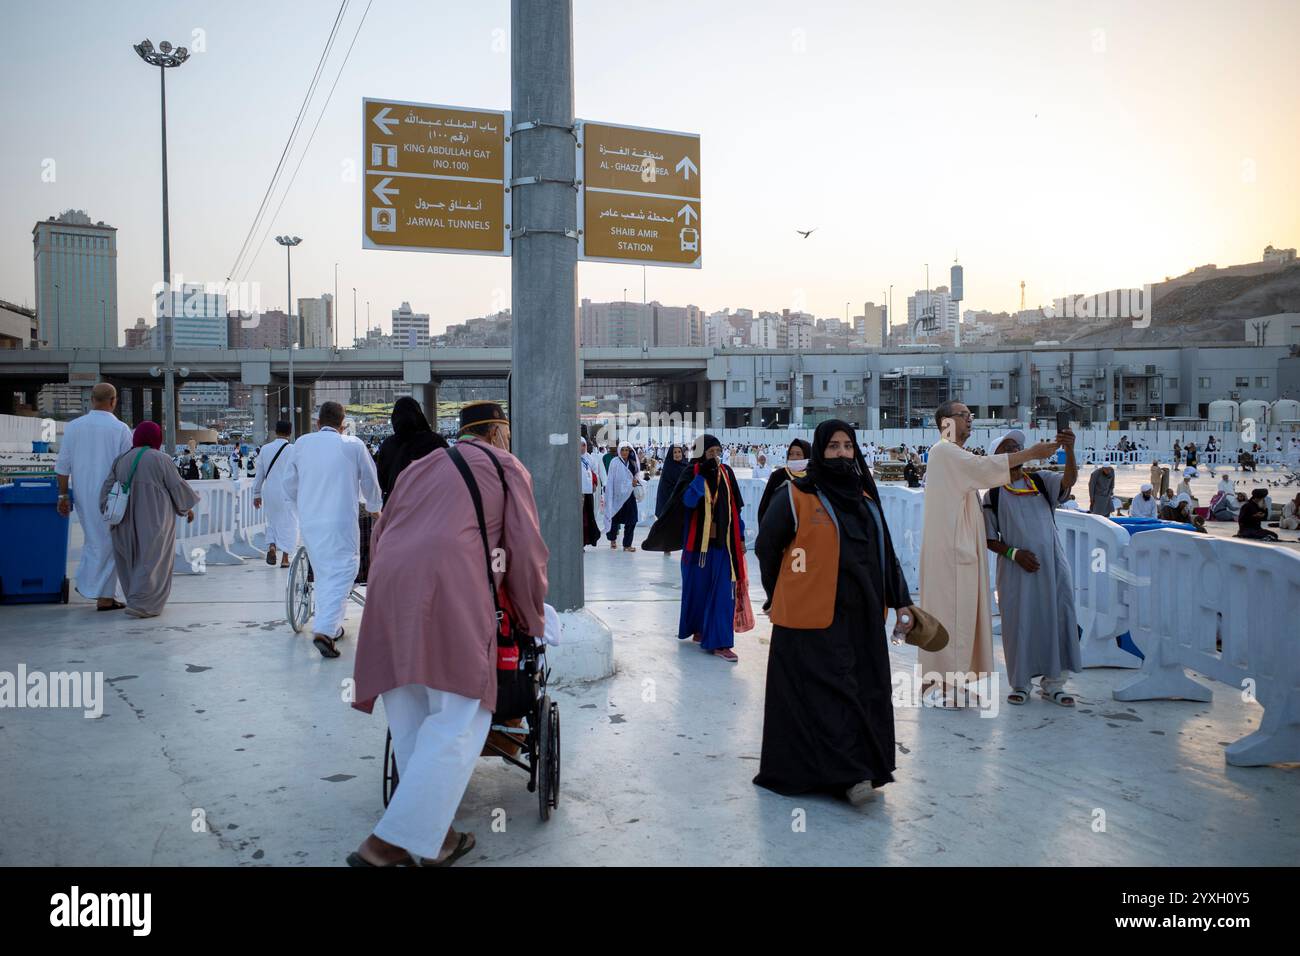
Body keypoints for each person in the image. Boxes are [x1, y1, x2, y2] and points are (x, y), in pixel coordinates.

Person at [349, 400, 548, 867]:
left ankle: (432, 839)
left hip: (390, 587)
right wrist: (532, 616)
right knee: (463, 714)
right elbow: (525, 552)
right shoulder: (506, 467)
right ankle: (387, 843)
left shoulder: (421, 466)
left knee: (410, 709)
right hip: (449, 586)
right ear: (499, 431)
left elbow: (382, 532)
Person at [753, 420, 915, 805]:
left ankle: (861, 767)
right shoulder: (796, 495)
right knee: (828, 693)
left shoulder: (866, 499)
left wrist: (902, 600)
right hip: (811, 617)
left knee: (863, 689)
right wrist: (780, 593)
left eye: (848, 446)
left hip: (862, 617)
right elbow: (766, 547)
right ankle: (849, 774)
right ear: (819, 451)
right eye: (834, 447)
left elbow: (885, 553)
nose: (842, 454)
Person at [917, 401, 1059, 705]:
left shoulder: (954, 454)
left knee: (960, 615)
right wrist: (1032, 453)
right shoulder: (945, 451)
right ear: (945, 421)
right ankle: (944, 686)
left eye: (970, 416)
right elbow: (985, 469)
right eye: (963, 415)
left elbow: (985, 472)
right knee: (953, 615)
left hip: (959, 548)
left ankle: (949, 683)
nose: (970, 420)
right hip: (953, 552)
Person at [982, 429, 1081, 706]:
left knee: (1056, 620)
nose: (1016, 451)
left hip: (1051, 566)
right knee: (1019, 624)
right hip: (1016, 570)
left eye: (1017, 447)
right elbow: (989, 538)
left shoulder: (1040, 481)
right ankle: (1021, 683)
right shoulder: (993, 495)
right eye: (1008, 448)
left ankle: (1054, 684)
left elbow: (1068, 481)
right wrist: (1015, 553)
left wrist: (1069, 450)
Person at [282, 401, 382, 659]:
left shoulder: (301, 444)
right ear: (343, 423)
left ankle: (332, 626)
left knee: (325, 572)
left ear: (317, 423)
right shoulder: (353, 445)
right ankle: (325, 629)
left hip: (310, 520)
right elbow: (370, 481)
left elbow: (288, 484)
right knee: (344, 570)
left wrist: (300, 506)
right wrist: (374, 508)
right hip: (340, 520)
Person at [643, 434, 747, 662]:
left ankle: (720, 642)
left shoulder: (727, 473)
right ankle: (700, 629)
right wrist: (701, 479)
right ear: (701, 453)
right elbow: (686, 503)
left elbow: (735, 507)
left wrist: (739, 535)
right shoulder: (692, 473)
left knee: (722, 593)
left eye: (717, 452)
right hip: (696, 547)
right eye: (710, 452)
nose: (715, 457)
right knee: (698, 592)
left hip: (723, 546)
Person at [100, 422, 200, 618]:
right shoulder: (160, 459)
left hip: (123, 519)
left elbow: (106, 490)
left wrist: (106, 509)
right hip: (154, 518)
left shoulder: (121, 459)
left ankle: (134, 598)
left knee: (130, 558)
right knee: (152, 559)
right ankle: (143, 604)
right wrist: (187, 507)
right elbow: (177, 487)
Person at [54, 383, 134, 610]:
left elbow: (62, 467)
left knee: (94, 540)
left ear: (92, 400)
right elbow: (127, 466)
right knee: (110, 542)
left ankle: (95, 587)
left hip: (83, 494)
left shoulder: (74, 427)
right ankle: (102, 595)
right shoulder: (120, 429)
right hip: (112, 496)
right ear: (114, 400)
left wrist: (62, 496)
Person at [374, 397, 448, 505]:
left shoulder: (388, 445)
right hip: (431, 507)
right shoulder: (436, 442)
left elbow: (383, 482)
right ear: (419, 416)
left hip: (396, 509)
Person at [253, 421, 299, 568]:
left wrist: (256, 494)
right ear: (290, 433)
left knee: (272, 521)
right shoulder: (294, 449)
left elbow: (259, 474)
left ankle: (272, 546)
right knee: (289, 523)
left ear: (275, 431)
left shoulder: (265, 449)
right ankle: (285, 558)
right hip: (288, 491)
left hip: (270, 491)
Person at [755, 438, 812, 525]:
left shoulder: (813, 477)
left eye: (798, 454)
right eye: (791, 454)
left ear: (807, 456)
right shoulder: (778, 476)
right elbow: (765, 505)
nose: (794, 458)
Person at [602, 441, 641, 551]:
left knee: (632, 520)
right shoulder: (614, 462)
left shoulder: (633, 463)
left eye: (627, 450)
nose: (624, 452)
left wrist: (634, 481)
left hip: (629, 495)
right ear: (619, 450)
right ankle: (612, 539)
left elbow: (637, 476)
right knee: (614, 519)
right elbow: (611, 480)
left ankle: (627, 545)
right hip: (617, 496)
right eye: (622, 449)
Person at [580, 438, 601, 548]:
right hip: (577, 493)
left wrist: (593, 483)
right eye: (579, 445)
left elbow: (595, 473)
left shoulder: (590, 459)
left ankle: (585, 540)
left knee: (587, 517)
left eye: (583, 445)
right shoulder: (572, 458)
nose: (581, 448)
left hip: (588, 493)